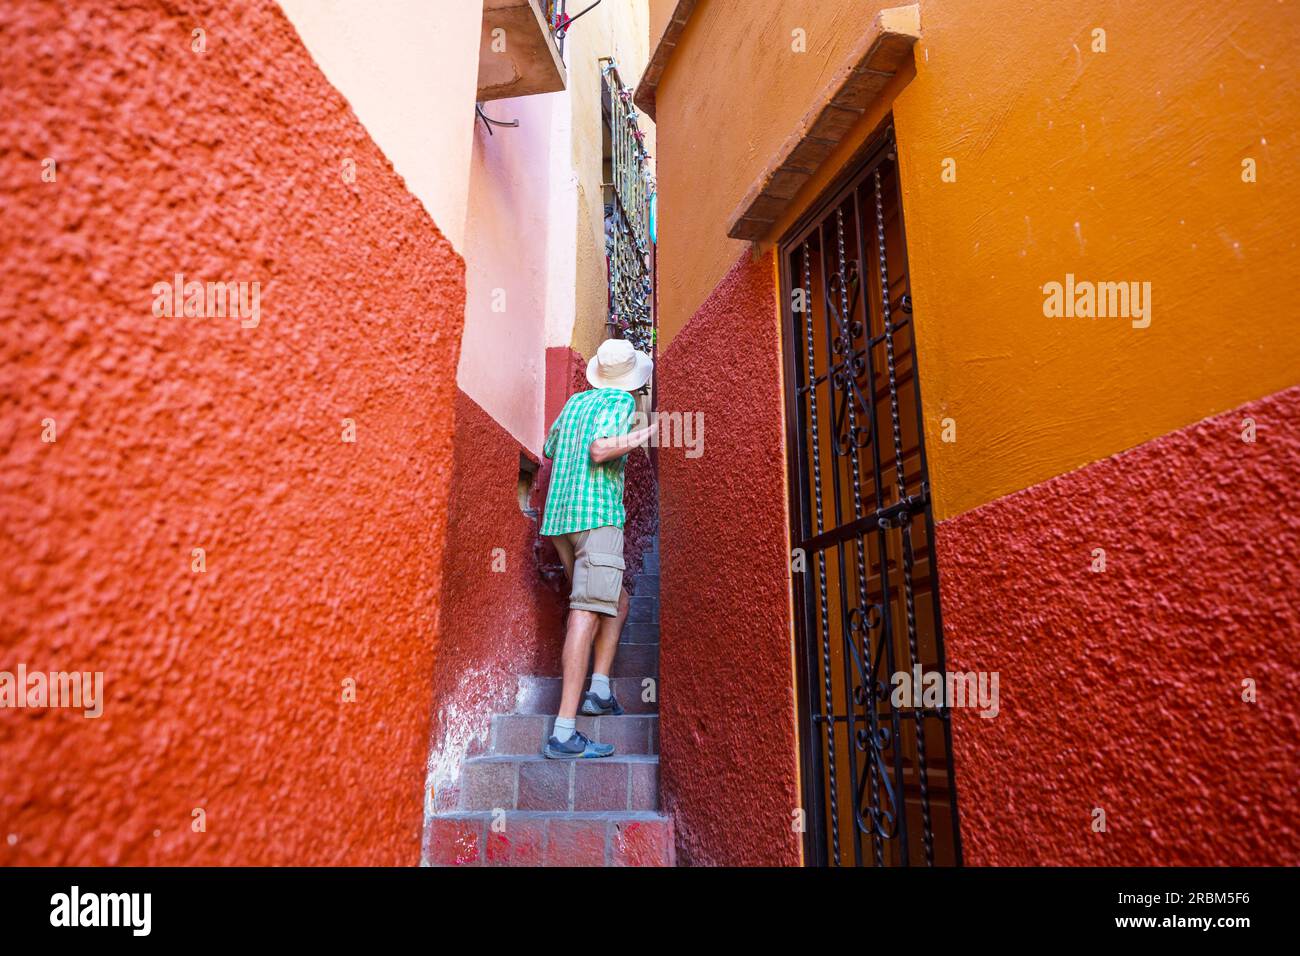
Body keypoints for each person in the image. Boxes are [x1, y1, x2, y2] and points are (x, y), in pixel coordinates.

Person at [539, 337, 657, 759]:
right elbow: (600, 448)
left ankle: (600, 689)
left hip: (559, 521)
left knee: (617, 600)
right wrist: (644, 432)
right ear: (629, 380)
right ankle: (564, 732)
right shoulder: (622, 405)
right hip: (596, 518)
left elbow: (551, 448)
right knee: (585, 611)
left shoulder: (573, 404)